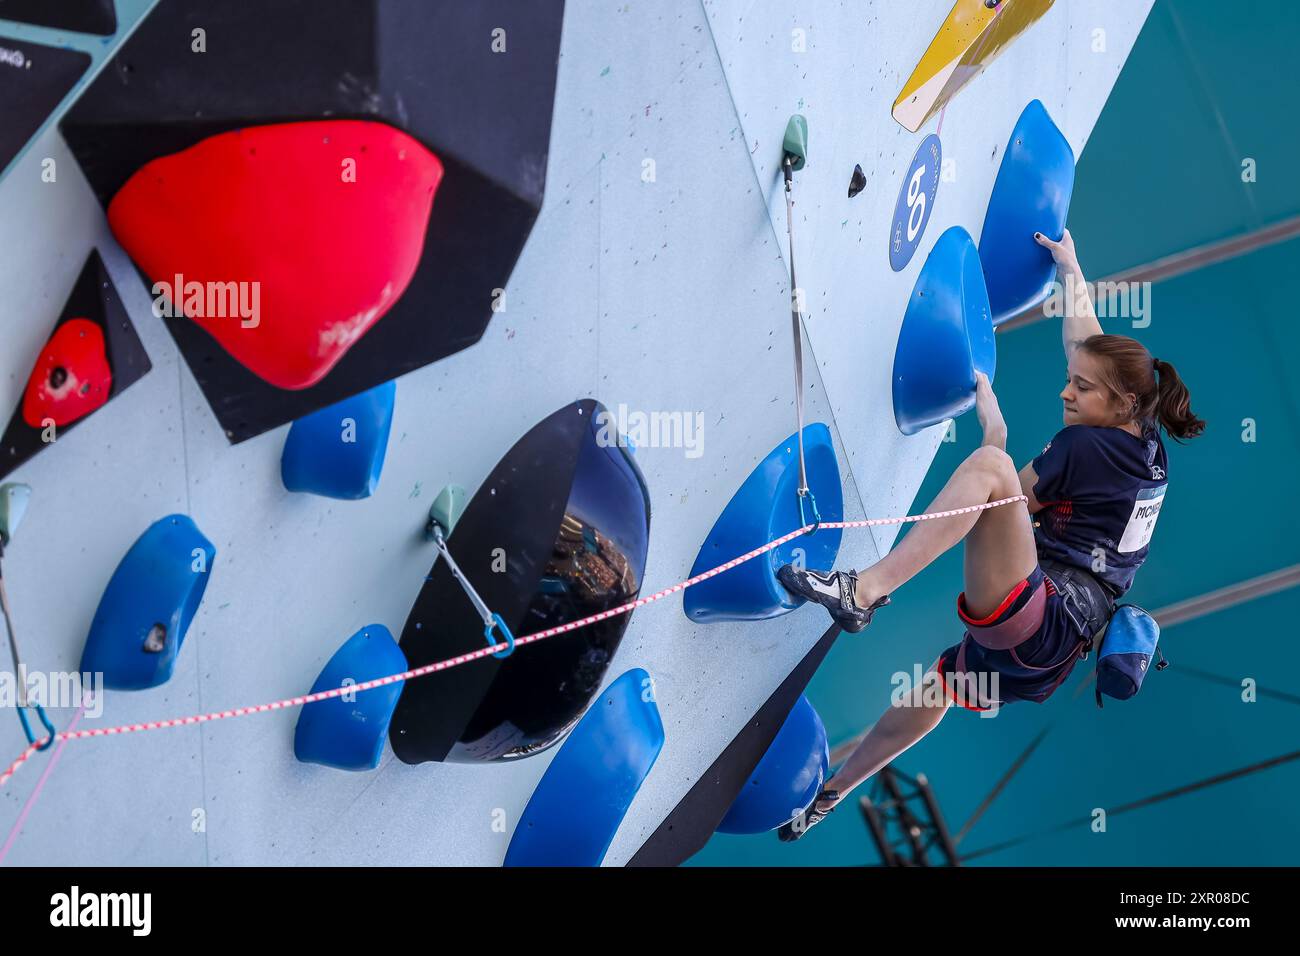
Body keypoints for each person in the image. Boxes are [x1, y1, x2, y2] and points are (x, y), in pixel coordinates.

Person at [774, 229, 1205, 841]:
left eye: (1080, 389)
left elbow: (1003, 495)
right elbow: (1085, 341)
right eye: (1072, 380)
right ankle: (831, 796)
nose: (1065, 391)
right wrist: (1071, 271)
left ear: (1120, 402)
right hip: (1044, 661)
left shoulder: (1088, 446)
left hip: (1048, 615)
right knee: (941, 687)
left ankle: (860, 592)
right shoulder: (1145, 444)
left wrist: (994, 426)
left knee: (992, 468)